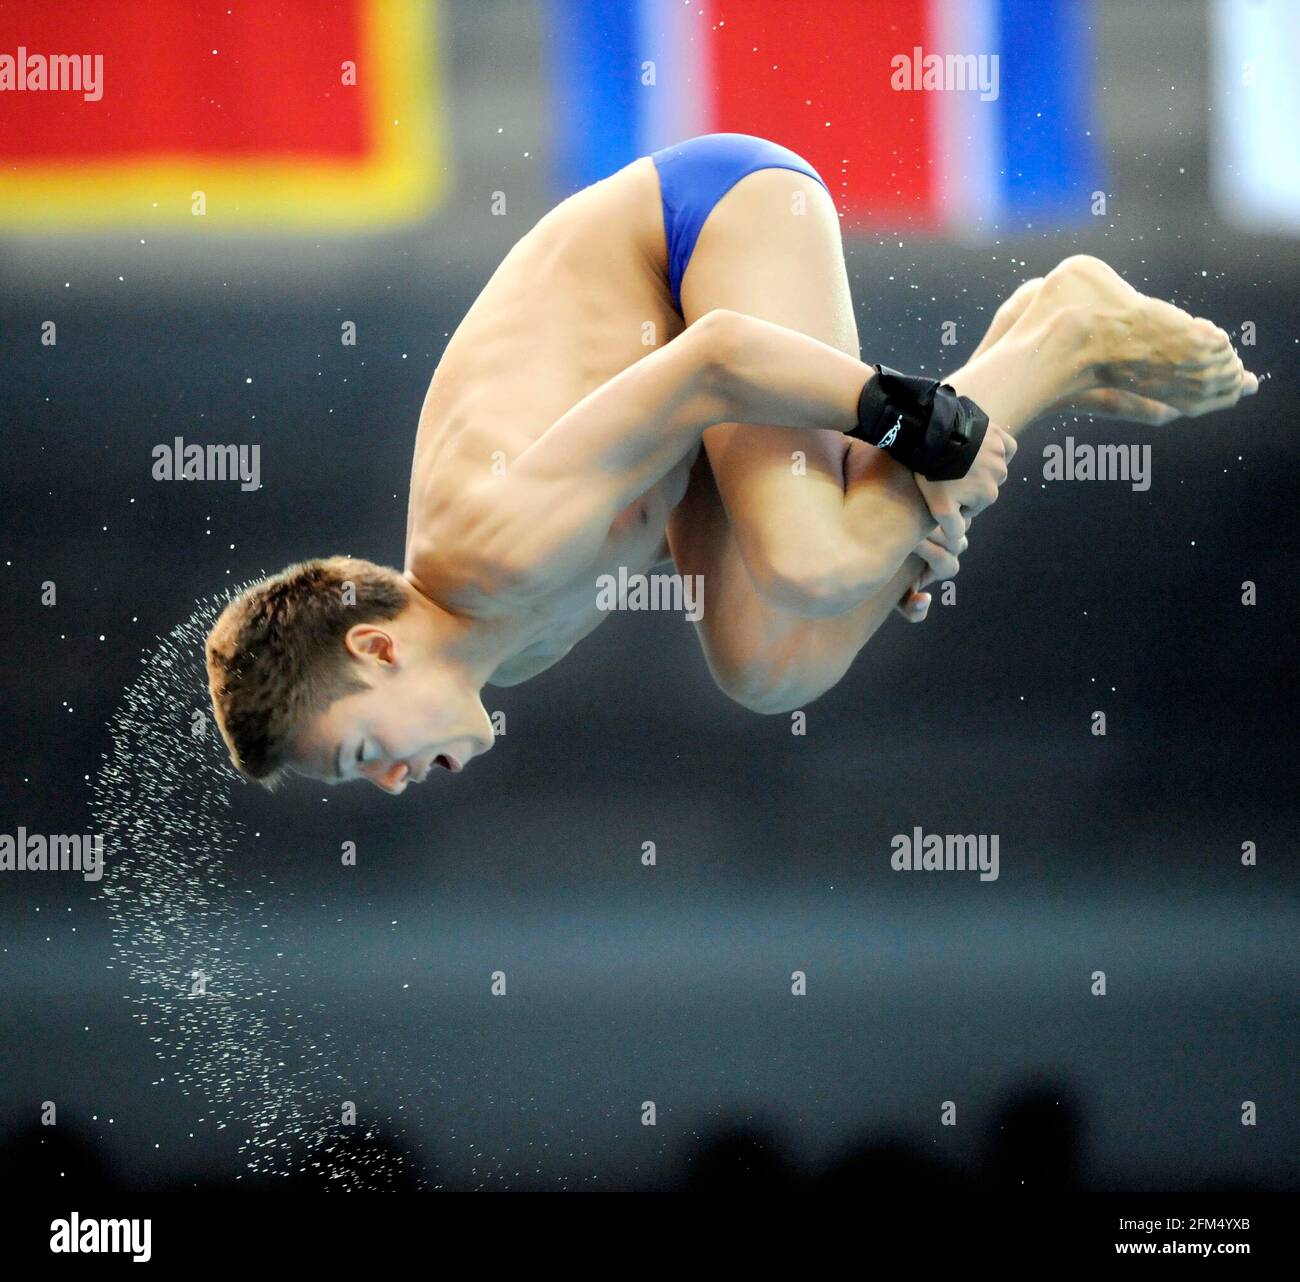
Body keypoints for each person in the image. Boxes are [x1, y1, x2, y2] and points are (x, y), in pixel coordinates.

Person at [205, 134, 1256, 794]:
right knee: (770, 664)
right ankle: (1022, 353)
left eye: (359, 755)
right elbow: (677, 453)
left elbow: (711, 362)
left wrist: (920, 434)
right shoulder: (513, 646)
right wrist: (890, 541)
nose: (391, 783)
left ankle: (1059, 329)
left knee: (807, 564)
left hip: (702, 220)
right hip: (683, 366)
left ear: (379, 649)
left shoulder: (489, 548)